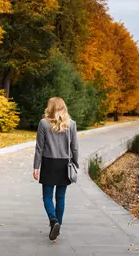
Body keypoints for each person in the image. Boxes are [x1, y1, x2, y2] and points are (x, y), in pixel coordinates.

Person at [32, 97, 79, 241]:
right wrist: (76, 163)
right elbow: (75, 147)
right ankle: (57, 228)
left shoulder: (43, 124)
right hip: (64, 164)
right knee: (60, 198)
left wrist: (36, 166)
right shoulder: (70, 124)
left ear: (50, 108)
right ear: (63, 107)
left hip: (48, 163)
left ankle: (53, 221)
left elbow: (39, 147)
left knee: (47, 196)